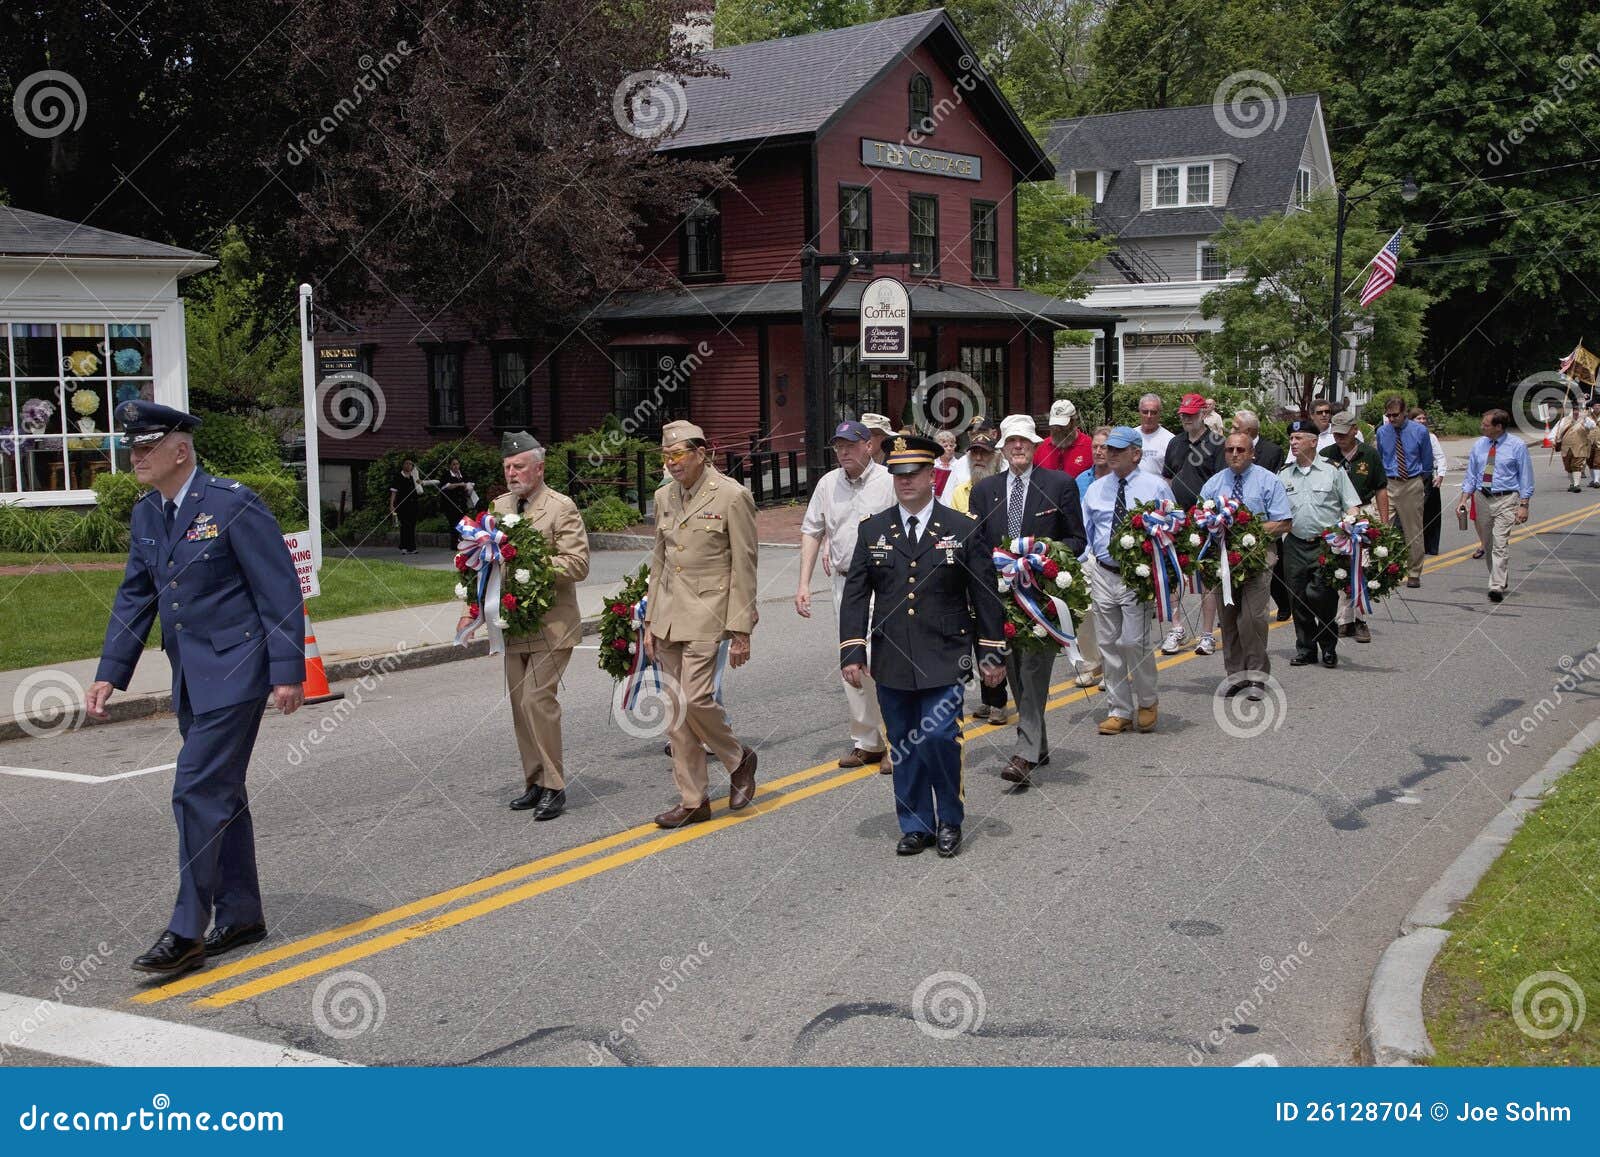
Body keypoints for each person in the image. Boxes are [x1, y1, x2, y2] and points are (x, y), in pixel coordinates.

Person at [88, 402, 304, 976]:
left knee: (194, 791)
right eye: (131, 447)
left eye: (144, 448)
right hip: (191, 675)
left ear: (179, 450)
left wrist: (287, 670)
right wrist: (111, 670)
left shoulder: (231, 504)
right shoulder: (148, 514)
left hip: (237, 671)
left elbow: (278, 589)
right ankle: (241, 912)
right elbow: (136, 595)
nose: (133, 457)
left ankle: (186, 930)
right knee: (222, 795)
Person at [839, 435, 1008, 858]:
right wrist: (852, 649)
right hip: (893, 654)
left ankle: (950, 818)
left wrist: (991, 652)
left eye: (913, 473)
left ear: (933, 475)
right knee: (904, 742)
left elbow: (985, 593)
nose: (905, 481)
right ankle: (915, 824)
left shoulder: (962, 527)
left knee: (939, 739)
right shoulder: (874, 529)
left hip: (946, 653)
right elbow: (857, 594)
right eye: (898, 474)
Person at [643, 421, 759, 828]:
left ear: (701, 452)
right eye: (666, 456)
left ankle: (736, 756)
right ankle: (693, 799)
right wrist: (650, 622)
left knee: (695, 699)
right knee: (674, 709)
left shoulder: (731, 495)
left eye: (677, 454)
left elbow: (744, 564)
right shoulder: (664, 497)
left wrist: (741, 628)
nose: (671, 463)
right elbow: (659, 562)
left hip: (710, 613)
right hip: (669, 616)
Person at [468, 432, 589, 820]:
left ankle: (555, 787)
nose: (511, 472)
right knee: (521, 707)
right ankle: (534, 781)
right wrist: (475, 600)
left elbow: (577, 564)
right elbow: (485, 558)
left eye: (519, 466)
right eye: (507, 467)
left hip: (552, 623)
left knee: (539, 700)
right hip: (512, 622)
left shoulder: (561, 507)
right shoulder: (500, 505)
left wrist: (531, 564)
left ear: (539, 468)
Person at [967, 414, 1087, 785]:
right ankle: (1039, 743)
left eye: (1025, 441)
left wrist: (1043, 556)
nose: (1018, 447)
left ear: (1036, 446)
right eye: (1012, 441)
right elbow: (977, 545)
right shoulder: (985, 491)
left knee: (1035, 671)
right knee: (1014, 673)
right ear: (1002, 448)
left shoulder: (1060, 484)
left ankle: (1023, 754)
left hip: (1041, 598)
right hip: (999, 598)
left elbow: (1077, 539)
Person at [796, 420, 894, 768]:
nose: (843, 452)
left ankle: (897, 741)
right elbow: (812, 530)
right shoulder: (827, 484)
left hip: (885, 583)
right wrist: (804, 583)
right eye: (838, 446)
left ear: (869, 445)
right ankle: (867, 740)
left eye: (850, 445)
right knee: (851, 660)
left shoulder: (890, 482)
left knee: (885, 661)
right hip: (844, 582)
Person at [1083, 427, 1176, 735]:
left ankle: (1147, 701)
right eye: (1108, 449)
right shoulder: (1096, 489)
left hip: (1138, 575)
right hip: (1104, 573)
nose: (1110, 454)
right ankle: (1119, 709)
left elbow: (1174, 522)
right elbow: (1086, 532)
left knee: (1134, 642)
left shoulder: (1155, 486)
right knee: (1108, 644)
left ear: (1136, 454)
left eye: (1118, 450)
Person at [1199, 434, 1292, 697]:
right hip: (1222, 560)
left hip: (1259, 557)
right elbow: (1199, 517)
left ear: (1253, 453)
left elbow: (1284, 523)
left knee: (1252, 617)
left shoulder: (1268, 481)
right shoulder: (1214, 484)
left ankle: (1257, 677)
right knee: (1228, 619)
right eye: (1230, 450)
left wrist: (1244, 530)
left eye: (1241, 449)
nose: (1235, 454)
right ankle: (1236, 675)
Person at [1279, 419, 1361, 668]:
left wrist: (1350, 524)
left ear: (1313, 441)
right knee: (1298, 598)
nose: (1293, 443)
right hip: (1294, 544)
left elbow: (1352, 505)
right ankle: (1305, 649)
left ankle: (1328, 646)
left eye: (1298, 438)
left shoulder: (1333, 470)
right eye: (1291, 439)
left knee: (1322, 596)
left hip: (1325, 544)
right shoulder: (1283, 474)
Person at [947, 427, 1012, 724]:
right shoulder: (959, 492)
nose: (979, 458)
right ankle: (986, 698)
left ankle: (999, 699)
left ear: (995, 457)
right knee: (971, 635)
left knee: (992, 633)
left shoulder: (1002, 489)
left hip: (999, 569)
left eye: (984, 453)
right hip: (963, 573)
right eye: (974, 453)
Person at [1162, 393, 1224, 654]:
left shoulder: (1217, 443)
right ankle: (1177, 628)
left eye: (1190, 414)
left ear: (1203, 415)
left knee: (1207, 576)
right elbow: (1166, 478)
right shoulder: (1175, 443)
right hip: (1176, 519)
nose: (1186, 419)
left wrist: (1210, 514)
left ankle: (1207, 634)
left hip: (1205, 520)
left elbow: (1222, 481)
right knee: (1173, 575)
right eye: (1183, 415)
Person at [1320, 410, 1390, 644]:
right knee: (1338, 567)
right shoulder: (1326, 455)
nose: (1339, 437)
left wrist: (1384, 522)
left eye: (1343, 433)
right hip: (1336, 515)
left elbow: (1381, 488)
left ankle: (1358, 620)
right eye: (1335, 433)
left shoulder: (1369, 455)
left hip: (1363, 512)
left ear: (1354, 429)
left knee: (1361, 566)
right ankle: (1342, 620)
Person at [1457, 408, 1534, 603]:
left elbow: (1525, 476)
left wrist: (1524, 504)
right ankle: (1500, 577)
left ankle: (1496, 585)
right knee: (1489, 544)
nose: (1481, 427)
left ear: (1499, 427)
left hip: (1506, 498)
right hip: (1482, 497)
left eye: (1485, 424)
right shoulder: (1479, 445)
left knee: (1500, 542)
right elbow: (1471, 475)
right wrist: (1463, 499)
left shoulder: (1517, 446)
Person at [1373, 395, 1433, 588]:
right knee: (1381, 527)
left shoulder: (1420, 431)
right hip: (1389, 483)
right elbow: (1381, 458)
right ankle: (1382, 568)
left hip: (1411, 482)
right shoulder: (1382, 432)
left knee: (1412, 531)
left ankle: (1414, 572)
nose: (1392, 419)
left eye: (1395, 415)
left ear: (1405, 412)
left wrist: (1419, 482)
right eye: (1388, 415)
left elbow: (1427, 461)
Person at [1072, 427, 1112, 688]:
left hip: (1108, 555)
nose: (1098, 451)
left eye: (1104, 447)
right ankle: (1090, 662)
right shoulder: (1080, 480)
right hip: (1084, 554)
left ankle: (1111, 669)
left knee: (1106, 613)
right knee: (1082, 611)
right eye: (1095, 446)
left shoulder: (1118, 481)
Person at [1034, 398, 1093, 476]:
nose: (1058, 429)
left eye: (1062, 425)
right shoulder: (1041, 447)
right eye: (1055, 425)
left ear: (1073, 422)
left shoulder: (1090, 446)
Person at [943, 414, 994, 496]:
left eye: (982, 432)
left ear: (994, 434)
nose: (978, 438)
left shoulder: (1006, 464)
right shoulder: (959, 465)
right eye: (973, 434)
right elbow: (947, 501)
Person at [1552, 402, 1593, 493]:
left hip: (1580, 447)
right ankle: (1572, 483)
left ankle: (1576, 485)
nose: (1576, 412)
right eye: (1574, 410)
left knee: (1577, 465)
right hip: (1566, 448)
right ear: (1571, 411)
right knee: (1568, 467)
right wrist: (1552, 440)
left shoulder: (1585, 420)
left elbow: (1592, 426)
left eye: (1578, 410)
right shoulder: (1564, 420)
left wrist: (1585, 418)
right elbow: (1555, 431)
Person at [390, 458, 424, 554]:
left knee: (412, 525)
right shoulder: (398, 476)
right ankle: (403, 547)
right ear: (403, 465)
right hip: (402, 505)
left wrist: (420, 483)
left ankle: (412, 547)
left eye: (410, 464)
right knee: (404, 526)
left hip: (413, 504)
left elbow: (419, 489)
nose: (408, 466)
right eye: (407, 464)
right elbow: (393, 492)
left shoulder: (414, 476)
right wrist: (392, 505)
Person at [1136, 393, 1174, 476]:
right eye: (1145, 412)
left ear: (1160, 414)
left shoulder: (1170, 440)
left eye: (1153, 412)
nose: (1149, 416)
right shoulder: (1131, 436)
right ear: (1139, 412)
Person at [439, 456, 474, 524]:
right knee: (453, 526)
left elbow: (470, 484)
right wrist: (459, 484)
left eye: (457, 464)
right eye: (453, 464)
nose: (456, 466)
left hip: (462, 504)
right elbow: (446, 486)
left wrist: (468, 487)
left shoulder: (463, 474)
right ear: (450, 466)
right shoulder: (446, 475)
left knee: (462, 524)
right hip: (450, 505)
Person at [932, 429, 958, 498]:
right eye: (945, 446)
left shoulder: (958, 465)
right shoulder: (932, 464)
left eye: (951, 445)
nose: (949, 448)